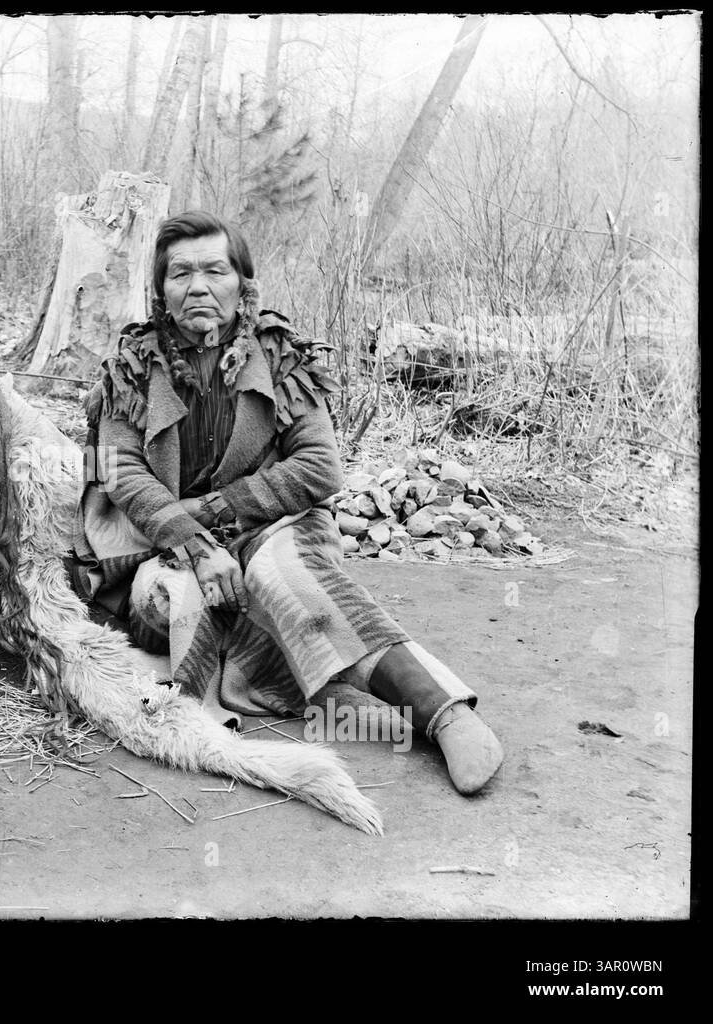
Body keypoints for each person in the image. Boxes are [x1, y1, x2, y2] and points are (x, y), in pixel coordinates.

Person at [71, 210, 504, 795]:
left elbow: (320, 468)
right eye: (180, 274)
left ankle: (444, 713)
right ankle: (307, 674)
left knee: (285, 576)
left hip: (271, 525)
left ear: (243, 284)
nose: (198, 287)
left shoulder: (279, 356)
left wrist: (215, 514)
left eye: (214, 271)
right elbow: (121, 470)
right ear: (160, 292)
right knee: (171, 606)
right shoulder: (131, 367)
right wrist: (196, 545)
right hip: (161, 541)